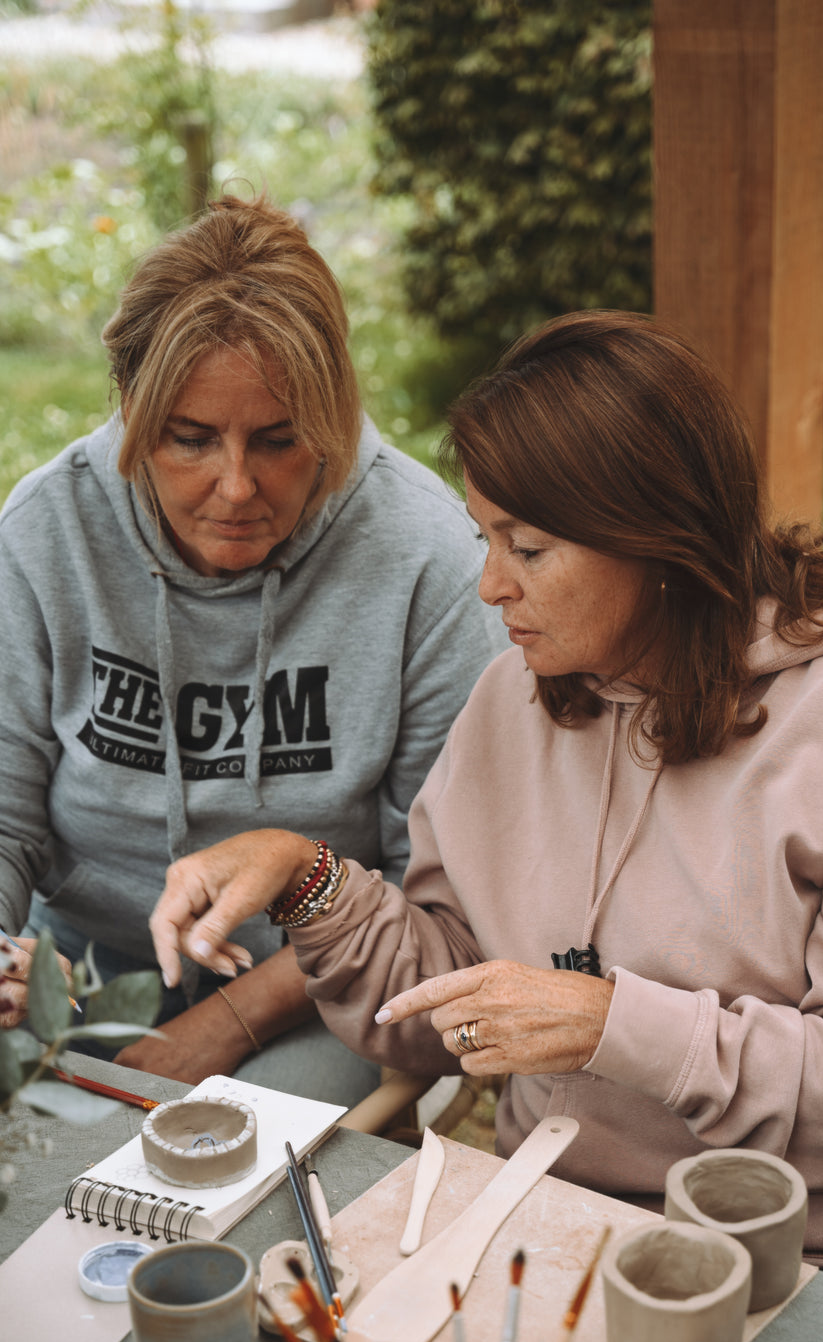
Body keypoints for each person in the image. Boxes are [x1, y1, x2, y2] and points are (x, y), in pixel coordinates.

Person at [148, 310, 823, 1272]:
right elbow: (454, 1000)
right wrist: (304, 879)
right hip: (557, 1226)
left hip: (822, 1262)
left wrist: (613, 1026)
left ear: (658, 543)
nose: (489, 586)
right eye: (486, 538)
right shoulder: (512, 700)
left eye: (527, 549)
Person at [0, 193, 502, 1105]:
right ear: (130, 412)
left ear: (335, 413)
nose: (236, 486)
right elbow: (4, 817)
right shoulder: (45, 532)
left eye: (279, 441)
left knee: (238, 1190)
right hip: (74, 966)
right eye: (190, 439)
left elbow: (432, 886)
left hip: (322, 981)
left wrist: (224, 1025)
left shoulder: (427, 558)